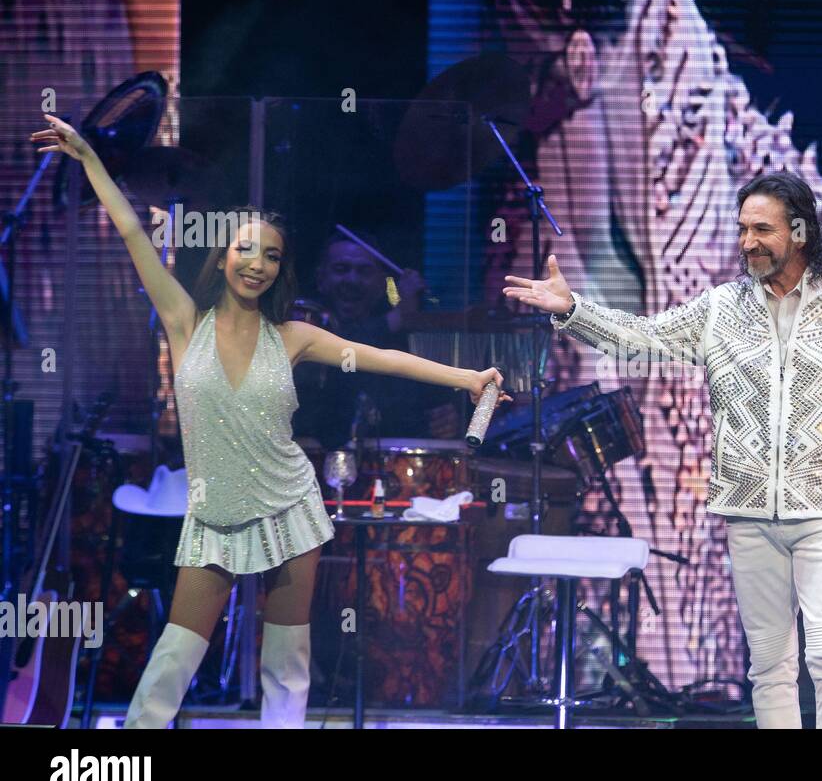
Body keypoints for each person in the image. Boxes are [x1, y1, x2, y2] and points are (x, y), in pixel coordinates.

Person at [31, 113, 505, 728]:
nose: (258, 263)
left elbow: (383, 357)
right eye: (247, 249)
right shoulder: (184, 322)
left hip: (288, 507)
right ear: (224, 254)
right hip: (215, 514)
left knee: (287, 661)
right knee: (176, 652)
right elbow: (130, 232)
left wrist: (466, 379)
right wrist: (90, 158)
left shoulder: (295, 337)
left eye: (272, 256)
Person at [504, 170, 822, 728]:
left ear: (799, 232)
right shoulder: (720, 308)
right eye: (742, 229)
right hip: (747, 512)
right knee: (769, 666)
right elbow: (642, 335)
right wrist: (572, 309)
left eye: (760, 229)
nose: (747, 242)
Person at [292, 232, 459, 448]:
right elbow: (340, 352)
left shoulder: (401, 342)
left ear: (381, 284)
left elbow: (418, 412)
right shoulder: (304, 319)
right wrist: (399, 316)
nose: (352, 280)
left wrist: (444, 420)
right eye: (341, 269)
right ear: (321, 279)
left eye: (364, 271)